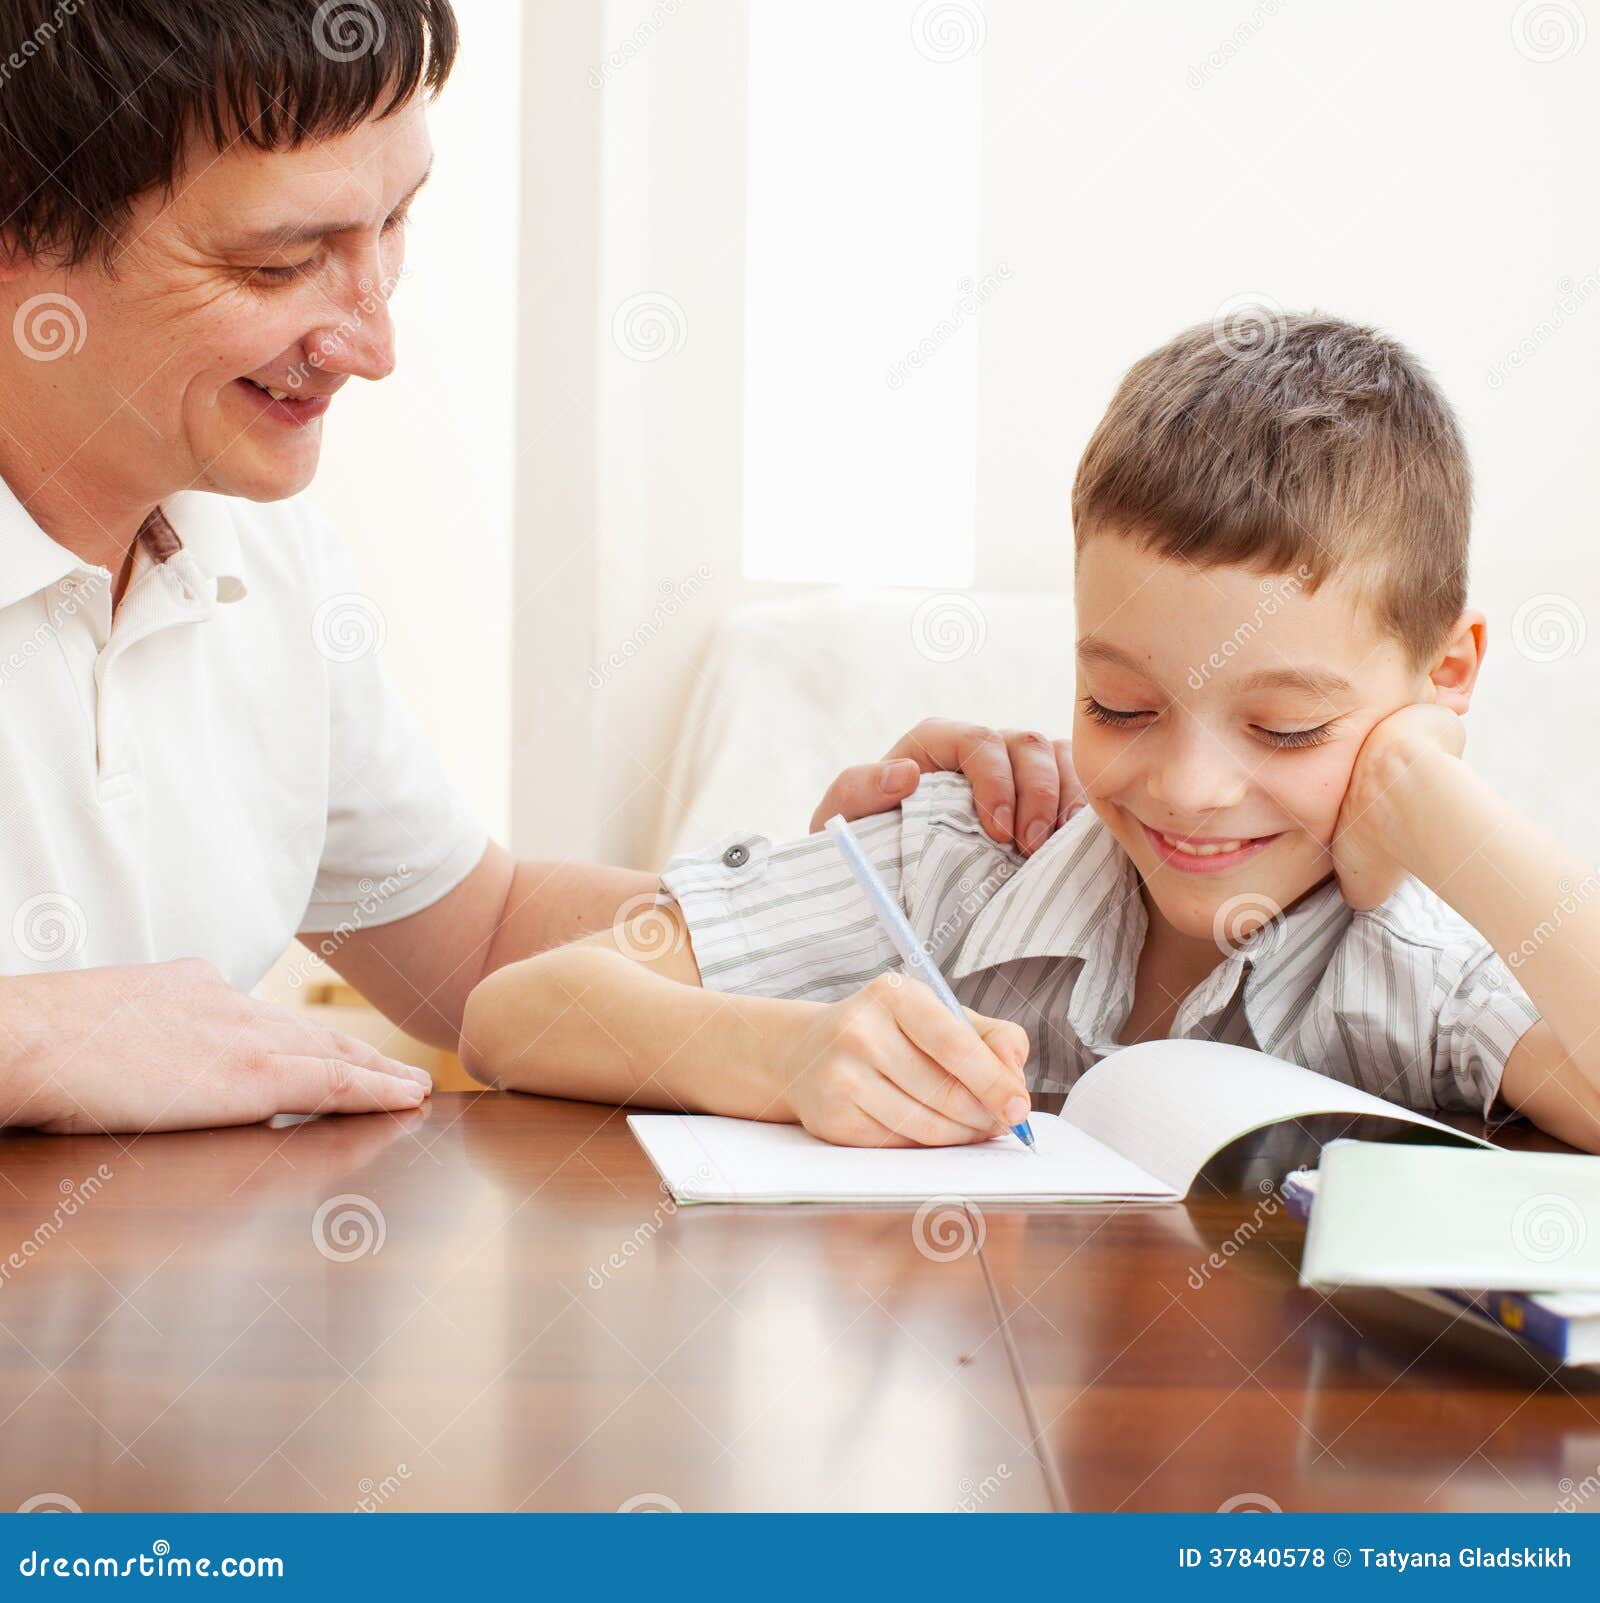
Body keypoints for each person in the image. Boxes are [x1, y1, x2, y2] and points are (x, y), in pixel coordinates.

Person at [0, 0, 1079, 1135]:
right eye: (281, 264)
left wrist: (859, 895)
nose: (374, 345)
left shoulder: (260, 559)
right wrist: (33, 1038)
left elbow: (478, 942)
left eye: (394, 224)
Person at [463, 312, 1600, 1156]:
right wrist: (787, 1056)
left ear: (1443, 674)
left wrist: (1428, 793)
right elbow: (512, 1014)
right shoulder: (966, 851)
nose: (1189, 787)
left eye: (1286, 728)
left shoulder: (1426, 961)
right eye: (1120, 706)